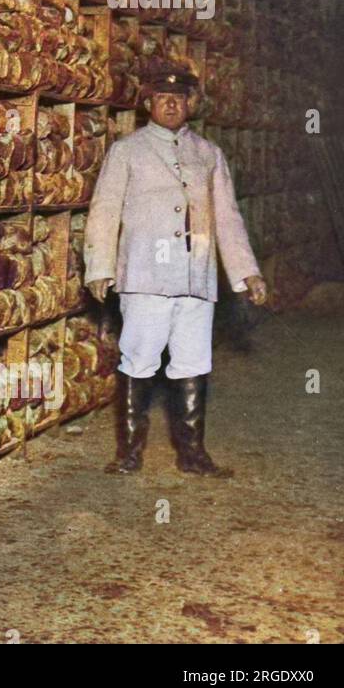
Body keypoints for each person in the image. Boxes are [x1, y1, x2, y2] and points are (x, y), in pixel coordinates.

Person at [84, 64, 268, 477]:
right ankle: (129, 454)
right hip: (146, 275)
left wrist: (246, 272)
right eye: (162, 98)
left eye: (180, 98)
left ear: (190, 104)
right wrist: (99, 266)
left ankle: (192, 455)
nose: (171, 104)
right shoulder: (127, 151)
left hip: (195, 276)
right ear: (148, 103)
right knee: (139, 359)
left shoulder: (208, 155)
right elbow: (104, 212)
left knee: (192, 362)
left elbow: (228, 218)